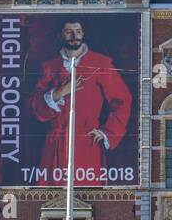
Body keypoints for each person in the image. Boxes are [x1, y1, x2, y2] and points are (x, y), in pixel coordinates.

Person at [26, 19, 133, 182]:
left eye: (78, 31)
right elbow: (33, 106)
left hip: (86, 144)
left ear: (83, 34)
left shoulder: (101, 63)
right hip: (54, 146)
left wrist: (107, 133)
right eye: (68, 31)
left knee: (86, 198)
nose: (74, 36)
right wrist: (59, 93)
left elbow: (123, 100)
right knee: (50, 201)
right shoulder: (49, 66)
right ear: (60, 35)